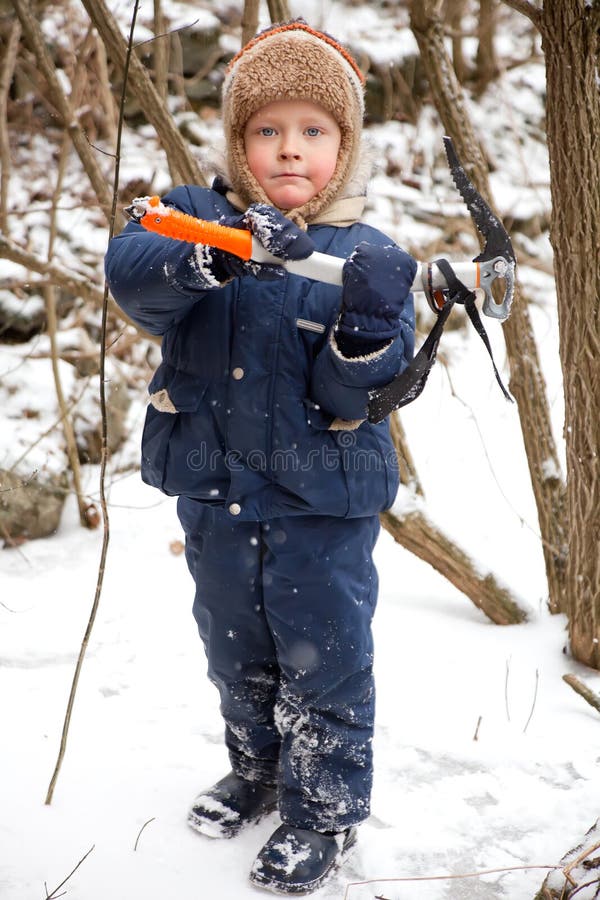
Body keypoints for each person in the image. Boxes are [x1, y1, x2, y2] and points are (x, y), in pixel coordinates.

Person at [105, 19, 417, 896]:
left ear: (344, 147)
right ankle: (257, 770)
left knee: (326, 658)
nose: (290, 151)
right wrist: (217, 254)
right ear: (239, 145)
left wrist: (363, 335)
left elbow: (362, 393)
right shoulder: (194, 216)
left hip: (320, 505)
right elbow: (131, 269)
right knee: (233, 650)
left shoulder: (368, 255)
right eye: (267, 130)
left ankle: (321, 815)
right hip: (215, 491)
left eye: (314, 132)